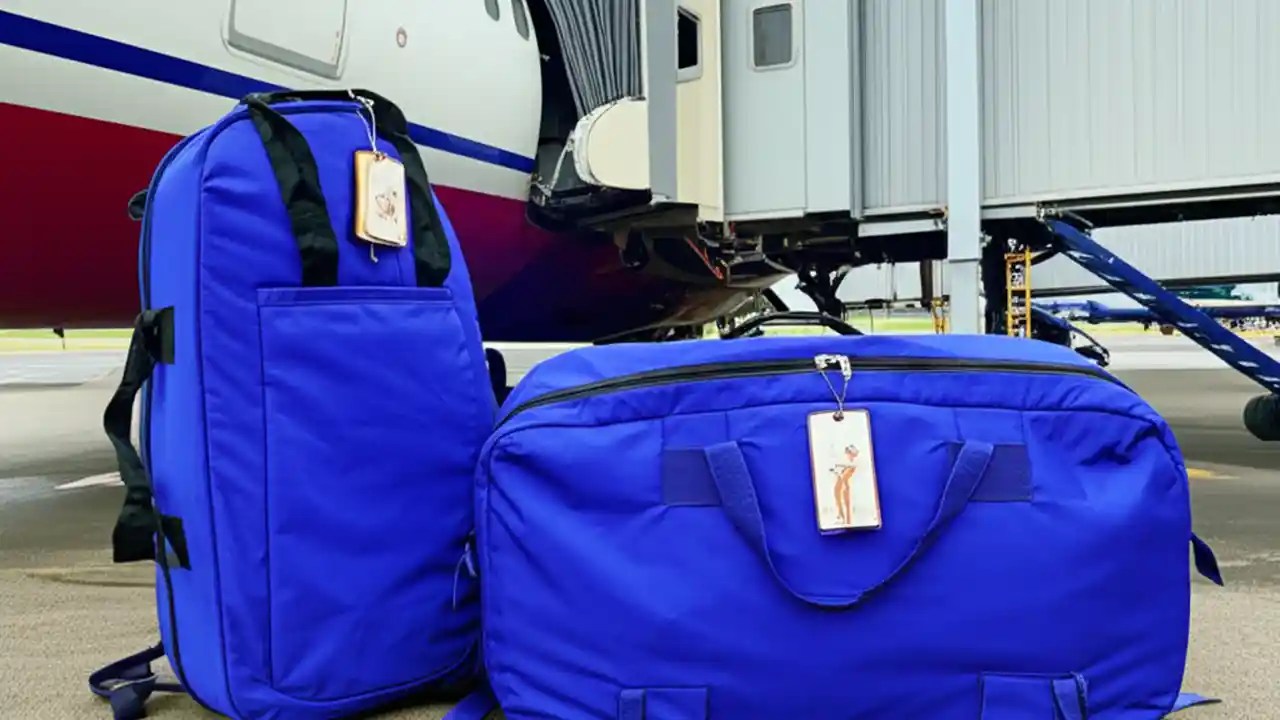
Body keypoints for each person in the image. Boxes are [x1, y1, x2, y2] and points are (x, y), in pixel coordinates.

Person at [831, 444, 858, 526]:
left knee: (846, 503)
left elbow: (845, 477)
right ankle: (842, 517)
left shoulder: (852, 465)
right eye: (848, 453)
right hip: (840, 486)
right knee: (840, 500)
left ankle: (847, 520)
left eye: (851, 454)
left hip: (845, 487)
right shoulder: (845, 463)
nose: (849, 455)